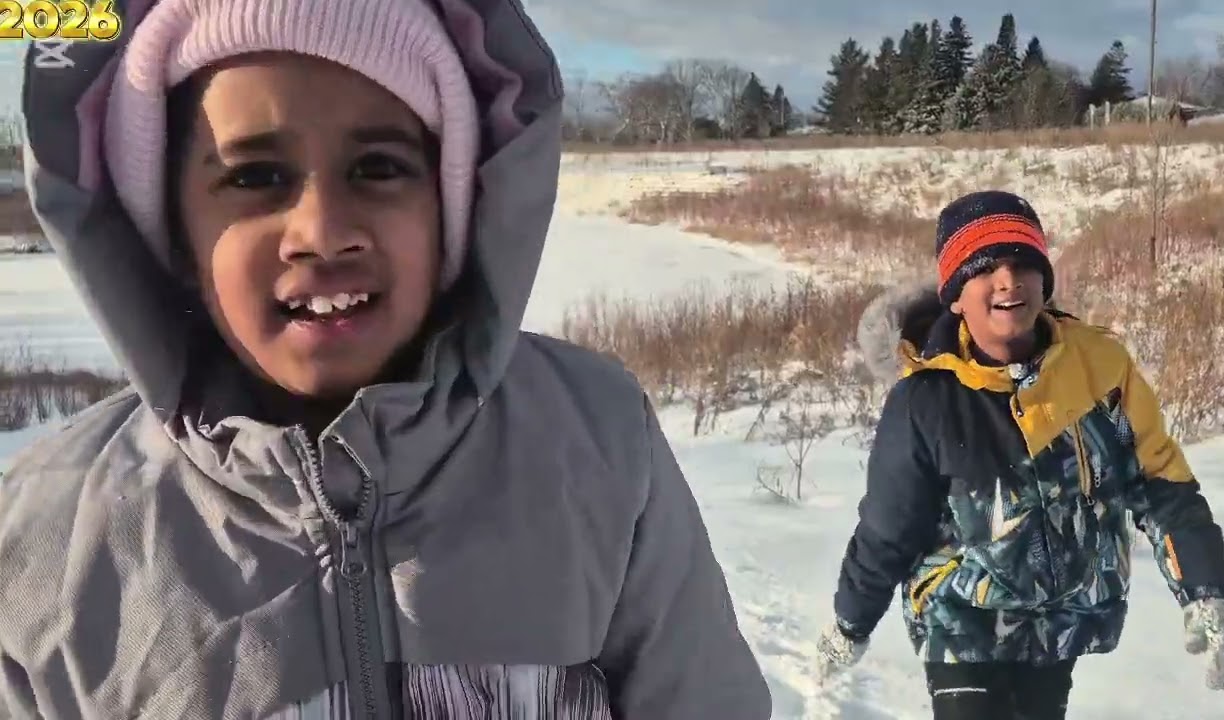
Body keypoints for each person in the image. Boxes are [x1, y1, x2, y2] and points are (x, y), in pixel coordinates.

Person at [0, 0, 772, 717]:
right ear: (171, 227)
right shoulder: (49, 535)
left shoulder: (596, 442)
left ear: (451, 204)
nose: (323, 230)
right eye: (254, 177)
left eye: (379, 166)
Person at [814, 190, 1224, 719]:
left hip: (1062, 621)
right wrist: (850, 621)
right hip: (960, 619)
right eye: (984, 268)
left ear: (1044, 279)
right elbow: (889, 528)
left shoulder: (1098, 365)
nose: (1008, 280)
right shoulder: (924, 401)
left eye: (1024, 263)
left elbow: (1160, 484)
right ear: (954, 295)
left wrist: (1206, 591)